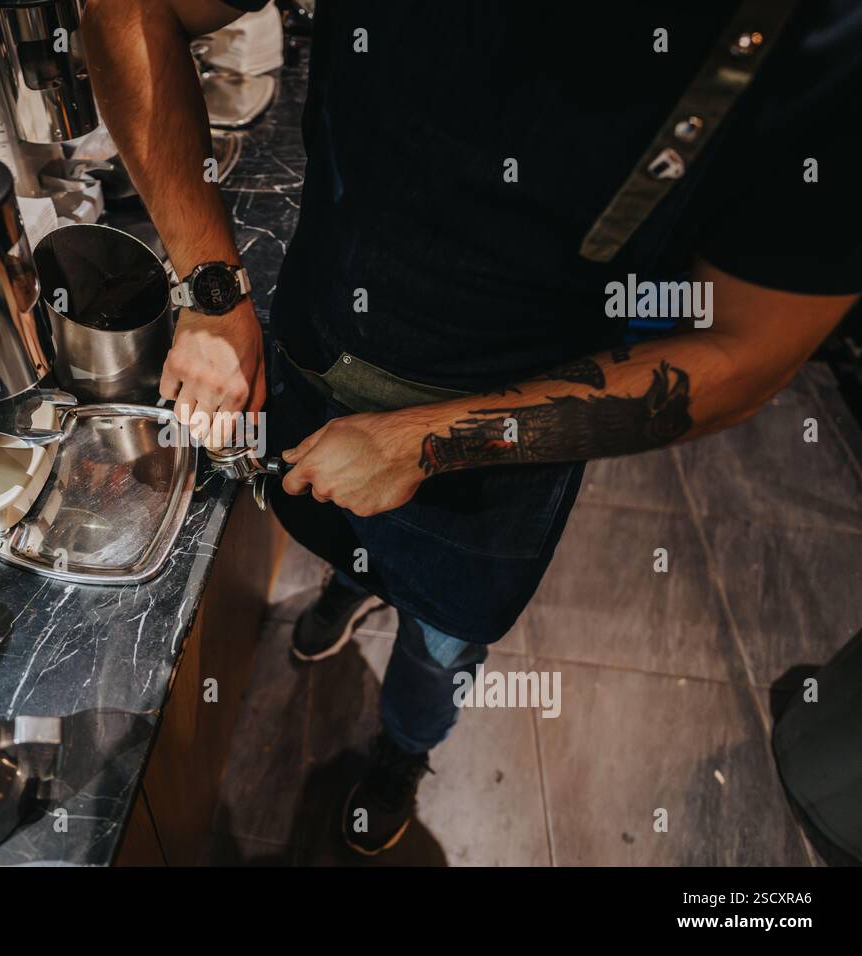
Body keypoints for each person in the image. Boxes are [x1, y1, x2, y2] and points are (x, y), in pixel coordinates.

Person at [82, 0, 862, 855]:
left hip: (499, 446)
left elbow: (746, 351)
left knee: (440, 642)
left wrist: (424, 442)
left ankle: (403, 752)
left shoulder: (820, 32)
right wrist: (211, 289)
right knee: (334, 531)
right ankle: (353, 586)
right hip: (321, 336)